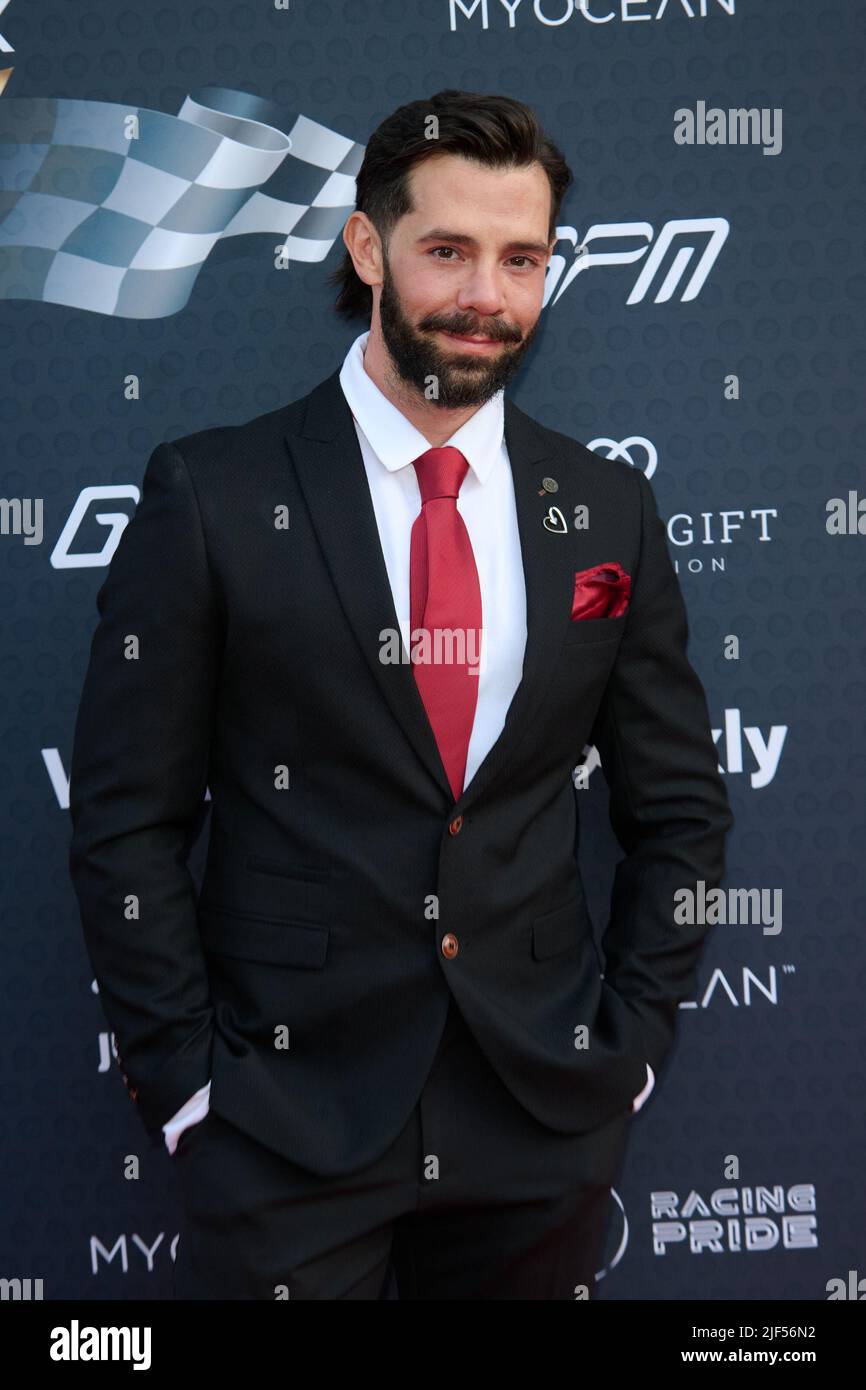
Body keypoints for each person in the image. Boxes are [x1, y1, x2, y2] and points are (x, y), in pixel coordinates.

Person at [68, 90, 733, 1300]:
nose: (488, 294)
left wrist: (624, 1054)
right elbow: (124, 819)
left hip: (537, 1114)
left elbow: (679, 808)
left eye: (520, 258)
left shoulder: (605, 511)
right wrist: (186, 1085)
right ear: (367, 250)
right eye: (447, 251)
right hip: (281, 1122)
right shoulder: (213, 496)